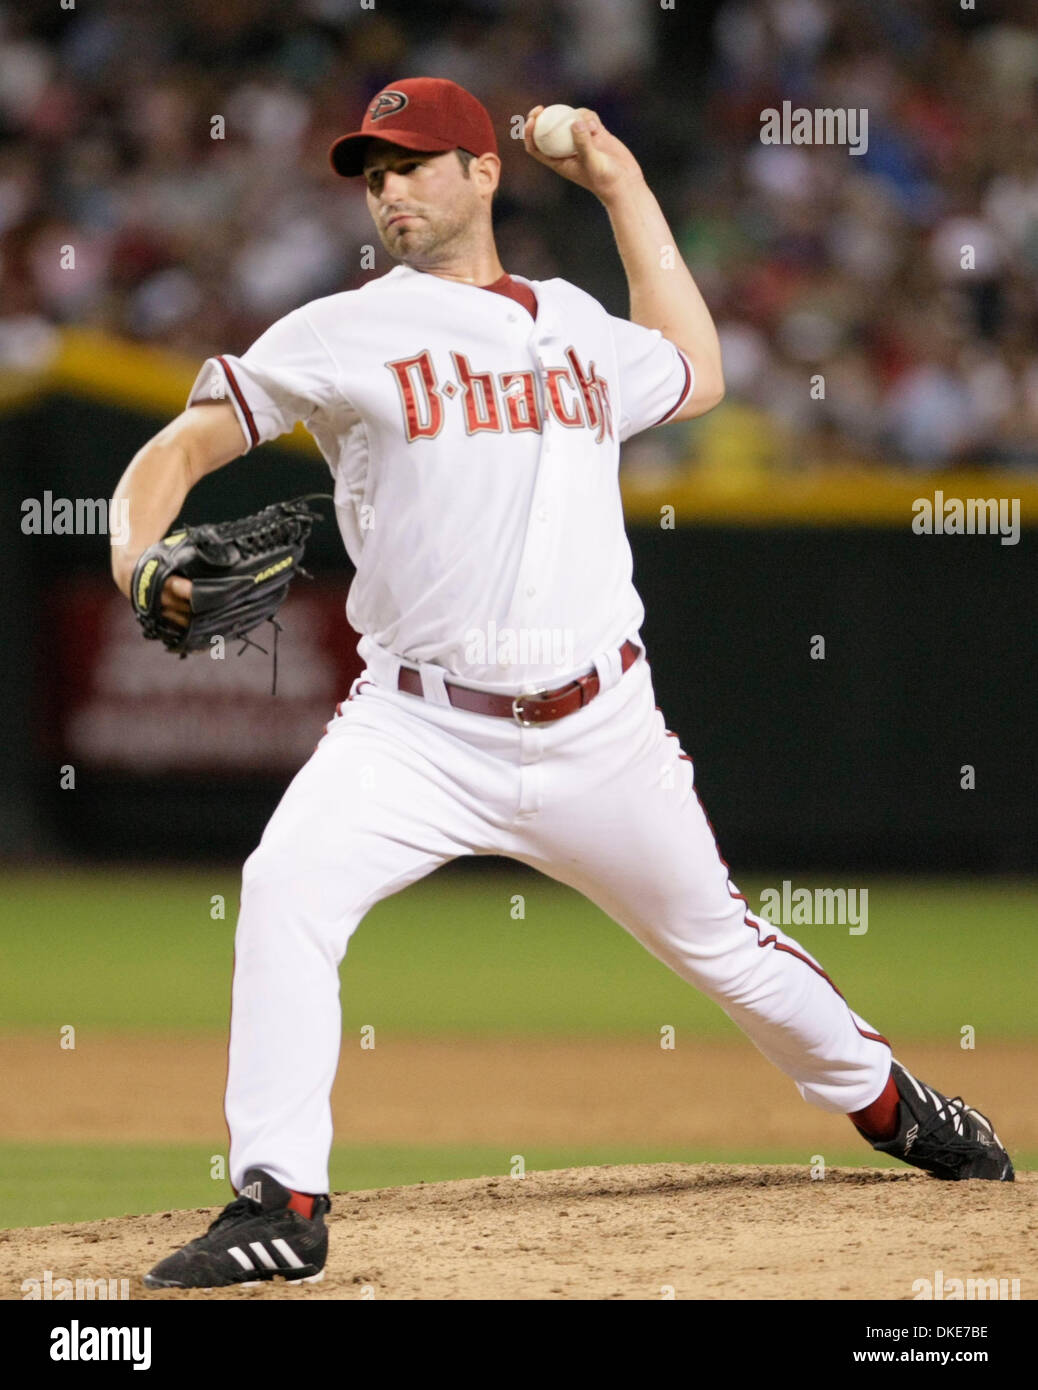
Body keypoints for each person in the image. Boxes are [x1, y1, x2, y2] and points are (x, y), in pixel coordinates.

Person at [109, 78, 1012, 1292]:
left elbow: (696, 369)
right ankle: (282, 1198)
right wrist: (133, 558)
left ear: (483, 173)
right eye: (373, 173)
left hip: (604, 732)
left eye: (414, 163)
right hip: (414, 728)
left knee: (728, 951)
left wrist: (621, 182)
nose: (389, 190)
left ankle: (890, 1099)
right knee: (283, 890)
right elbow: (180, 443)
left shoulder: (577, 324)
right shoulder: (340, 331)